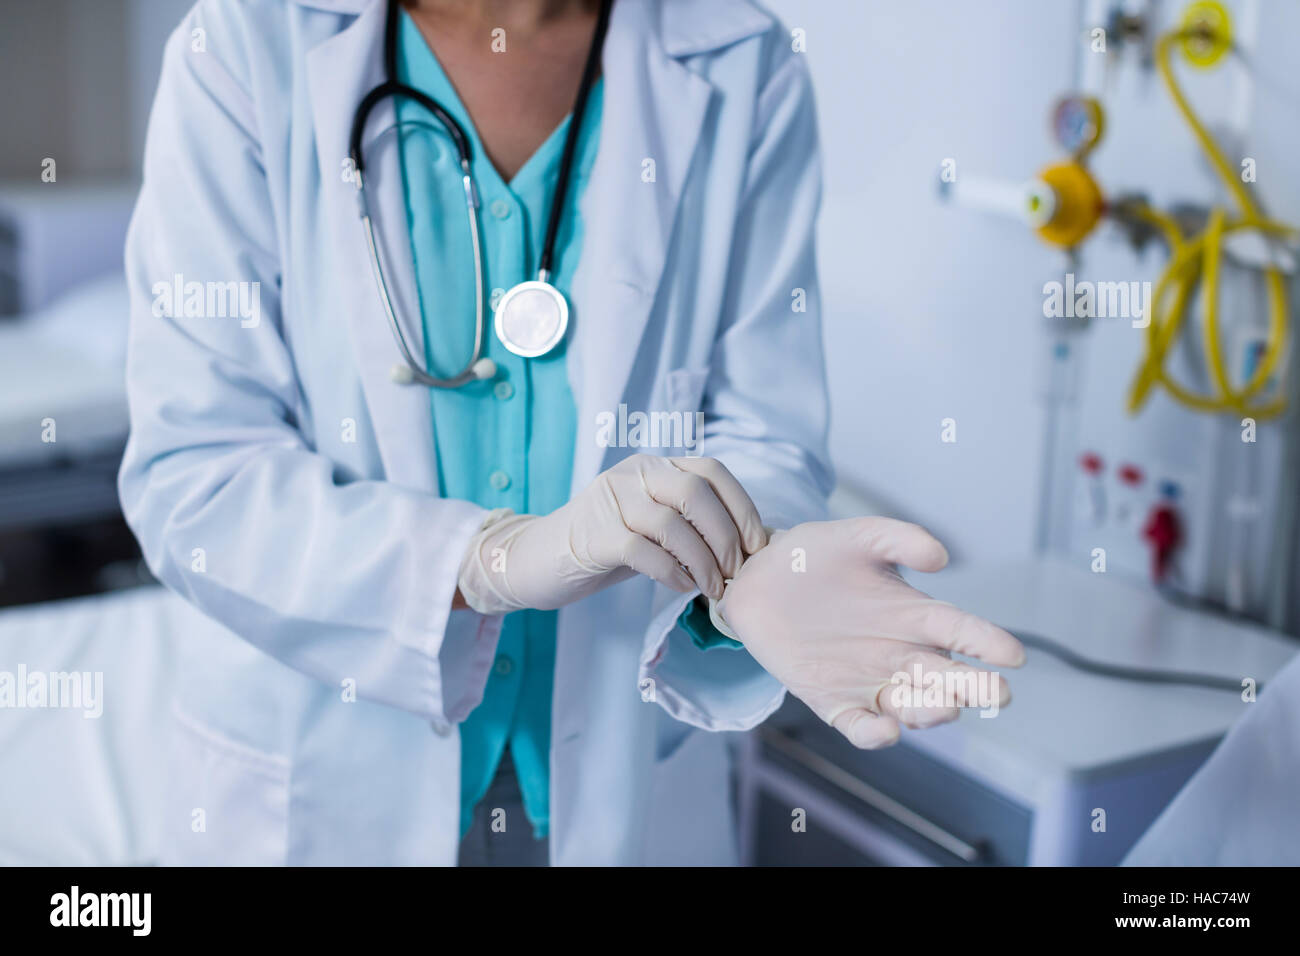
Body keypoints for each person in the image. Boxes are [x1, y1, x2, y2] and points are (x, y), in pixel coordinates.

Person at [120, 0, 1023, 866]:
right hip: (326, 766)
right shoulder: (246, 41)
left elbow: (764, 431)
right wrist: (484, 561)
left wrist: (754, 572)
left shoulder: (743, 60)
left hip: (620, 767)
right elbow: (197, 475)